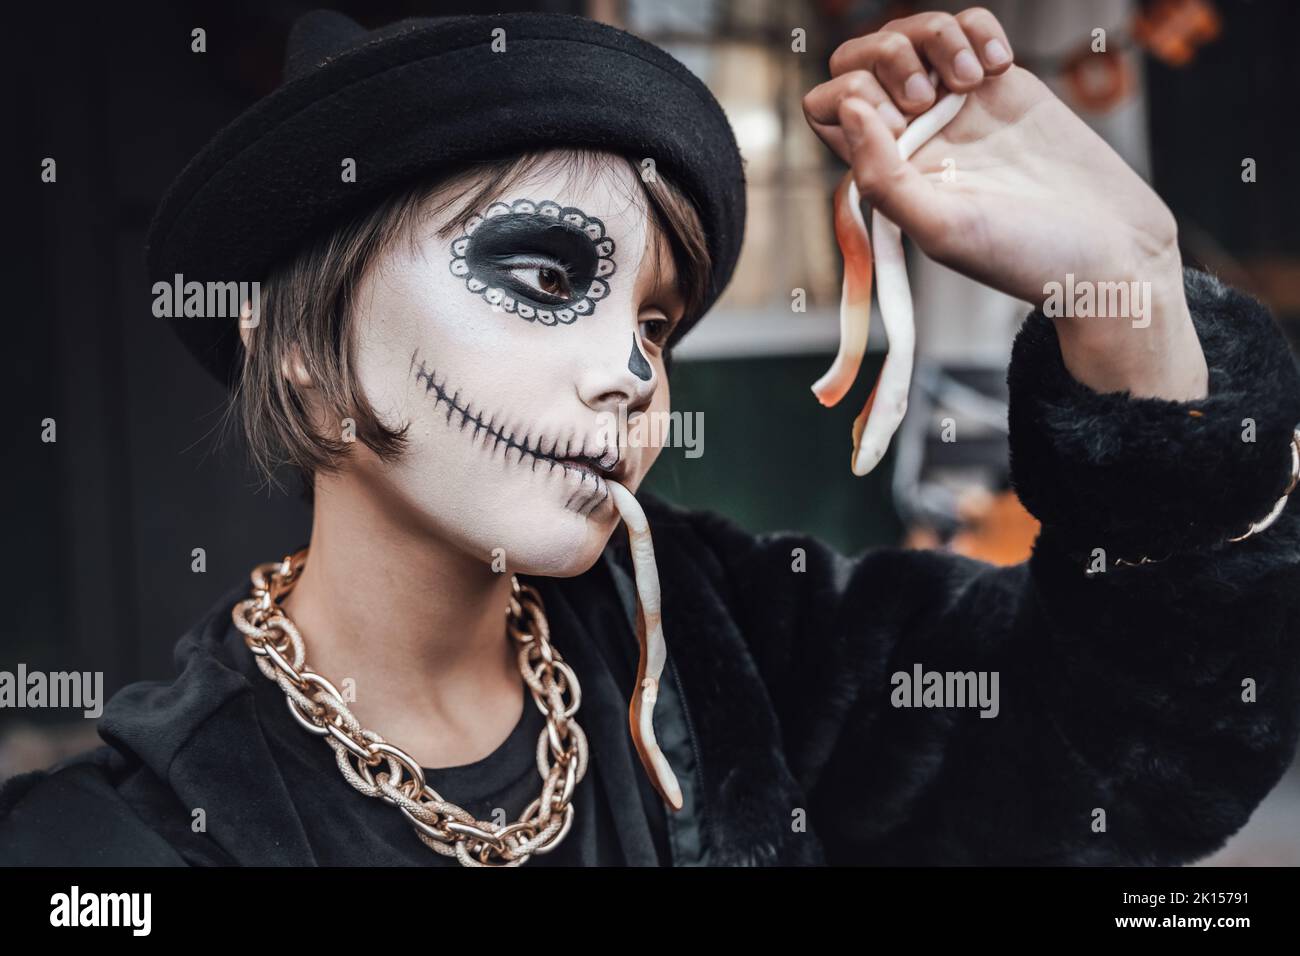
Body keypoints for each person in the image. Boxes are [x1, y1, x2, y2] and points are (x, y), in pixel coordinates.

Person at [3, 7, 1298, 867]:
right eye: (551, 280)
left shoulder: (744, 647)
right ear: (301, 343)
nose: (631, 370)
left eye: (659, 320)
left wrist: (1122, 290)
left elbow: (1123, 769)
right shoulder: (131, 842)